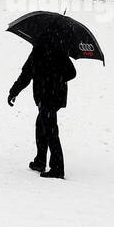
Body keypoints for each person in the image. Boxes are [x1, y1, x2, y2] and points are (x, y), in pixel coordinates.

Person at [8, 43, 77, 179]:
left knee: (50, 130)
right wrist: (14, 91)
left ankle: (57, 168)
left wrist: (52, 77)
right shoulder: (58, 51)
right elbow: (71, 73)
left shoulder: (43, 51)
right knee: (42, 126)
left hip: (49, 97)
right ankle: (40, 161)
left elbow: (26, 74)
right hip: (52, 96)